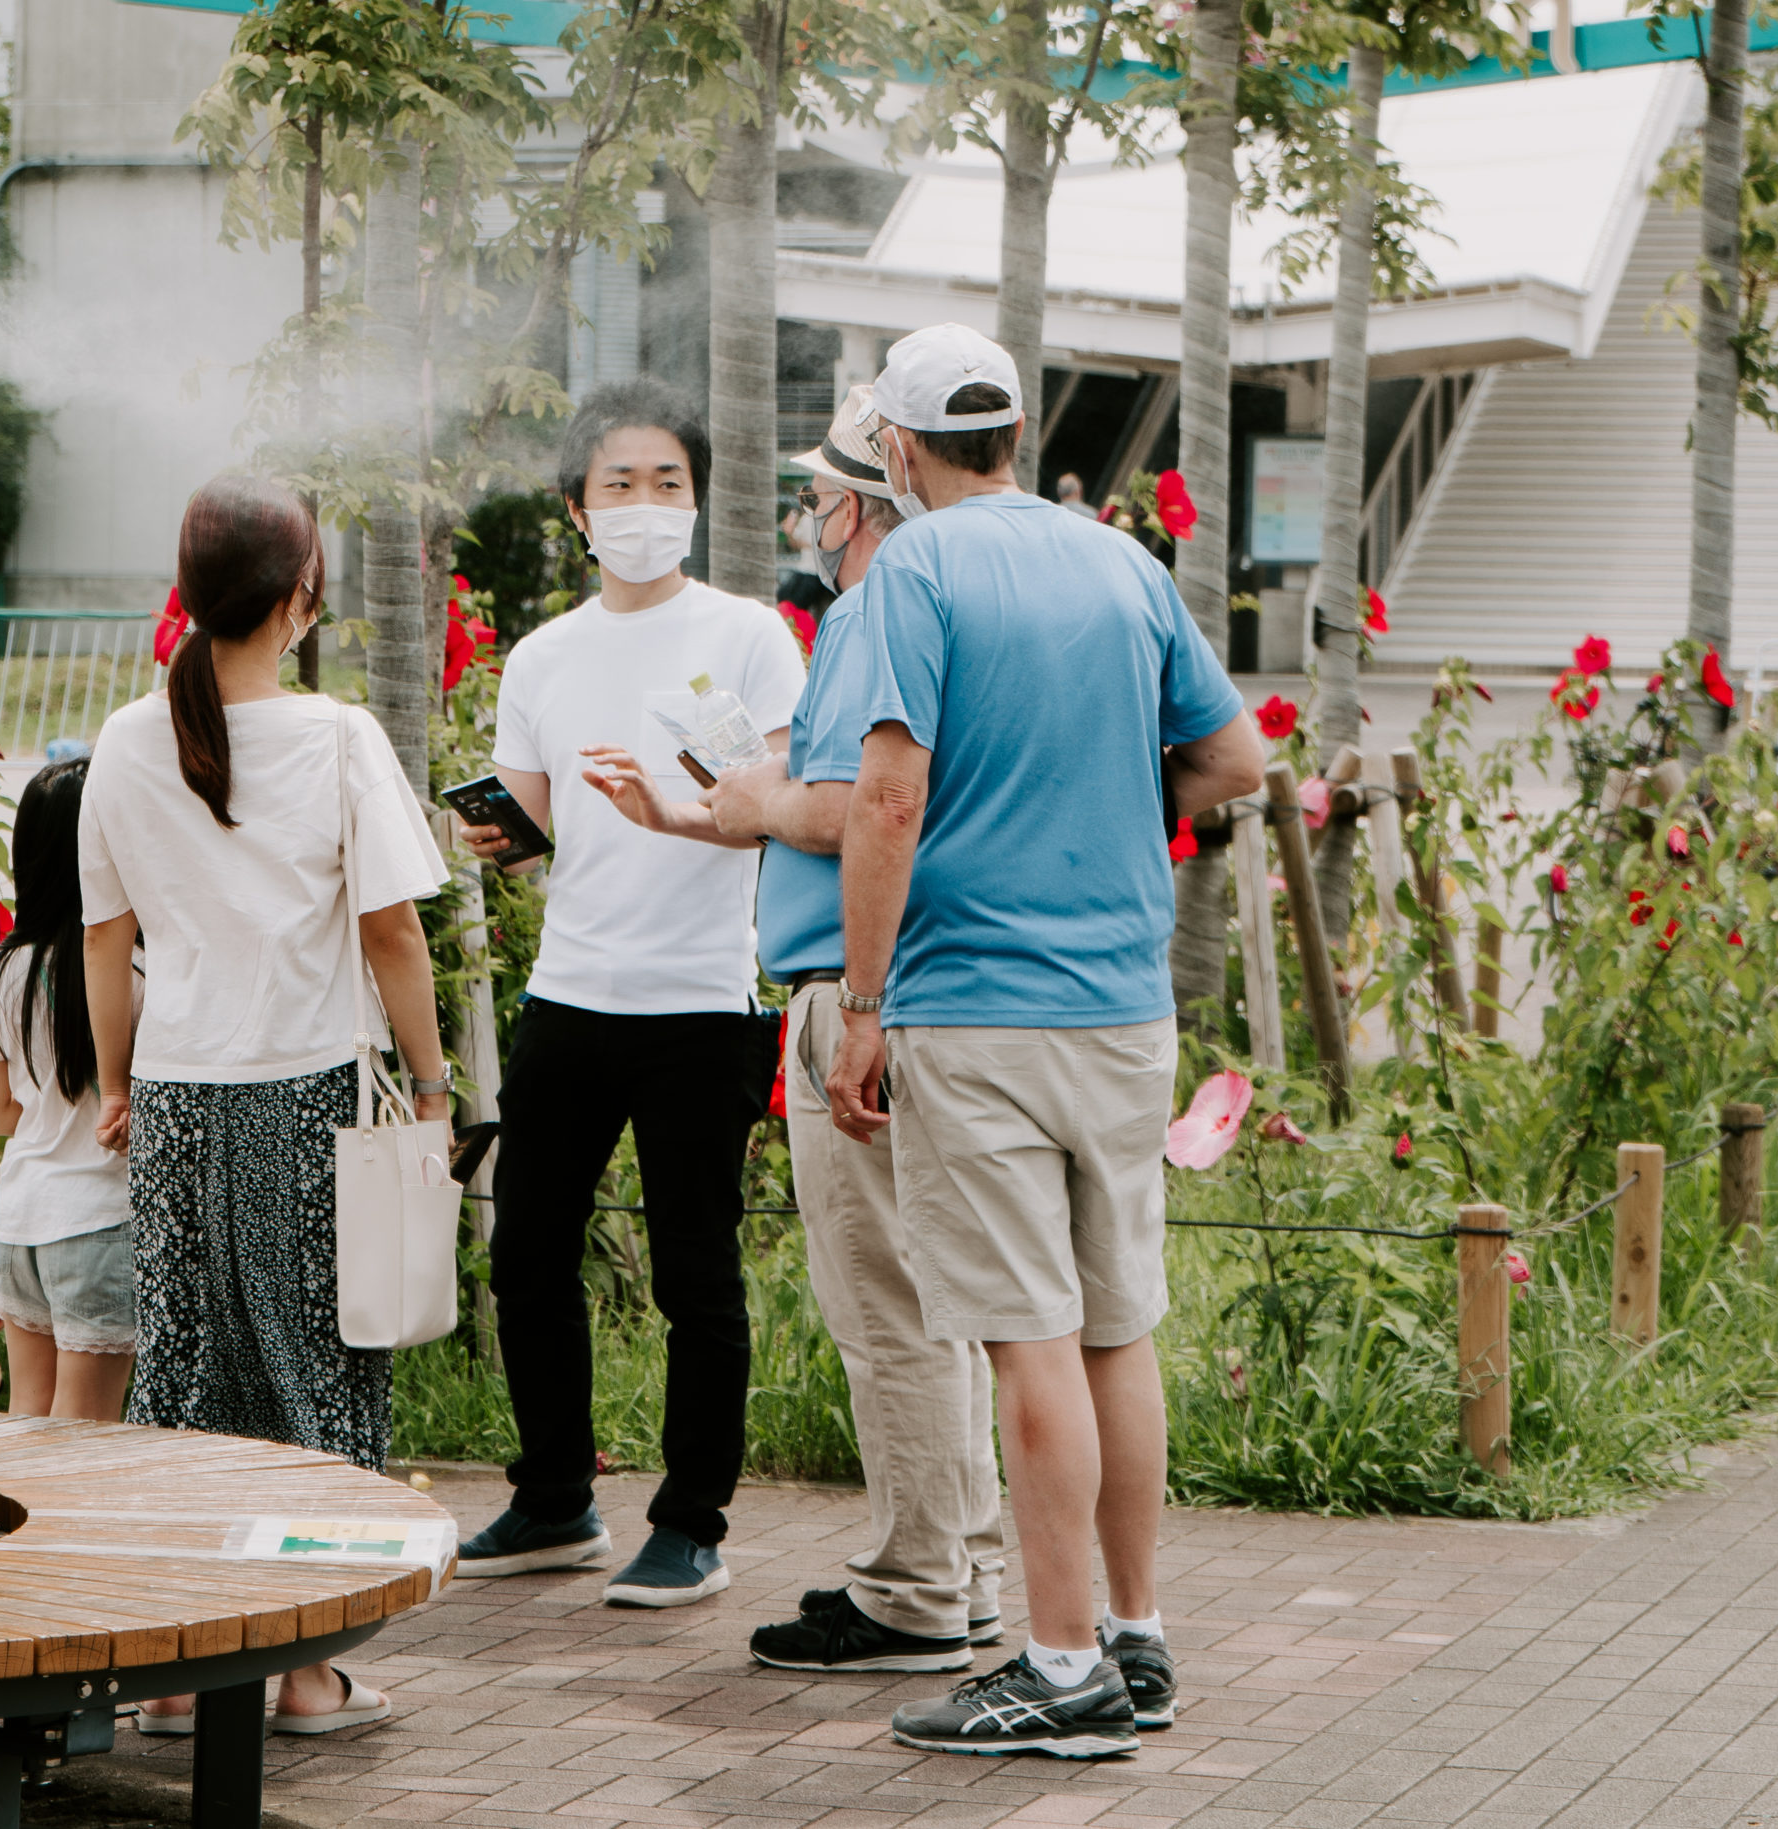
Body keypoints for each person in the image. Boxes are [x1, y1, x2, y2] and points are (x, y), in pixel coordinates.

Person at [823, 324, 1262, 1758]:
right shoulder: (1123, 562)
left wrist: (868, 1007)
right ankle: (1135, 1642)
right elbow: (1235, 757)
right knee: (1116, 1326)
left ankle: (1059, 1669)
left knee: (1030, 1346)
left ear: (896, 446)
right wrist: (1123, 808)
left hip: (978, 1009)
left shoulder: (918, 572)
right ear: (1014, 430)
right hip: (1125, 1007)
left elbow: (888, 798)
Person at [617, 387, 1004, 1674]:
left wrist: (764, 795)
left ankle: (910, 1588)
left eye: (819, 496)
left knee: (884, 1299)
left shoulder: (874, 614)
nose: (807, 517)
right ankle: (968, 1567)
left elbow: (853, 807)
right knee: (942, 1297)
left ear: (859, 503)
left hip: (857, 986)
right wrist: (717, 812)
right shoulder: (959, 600)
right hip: (939, 986)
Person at [81, 472, 454, 1735]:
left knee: (184, 1381)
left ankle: (179, 1676)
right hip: (306, 1101)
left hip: (180, 1097)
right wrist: (439, 1087)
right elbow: (395, 933)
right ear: (302, 599)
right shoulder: (338, 736)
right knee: (312, 1389)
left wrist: (121, 1083)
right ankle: (304, 1671)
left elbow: (102, 939)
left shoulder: (127, 738)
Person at [452, 378, 802, 1608]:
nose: (646, 505)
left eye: (668, 483)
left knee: (694, 1271)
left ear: (696, 501)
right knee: (527, 1252)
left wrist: (676, 810)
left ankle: (691, 1522)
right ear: (577, 511)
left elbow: (784, 818)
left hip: (703, 1002)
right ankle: (554, 1497)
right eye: (620, 485)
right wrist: (490, 832)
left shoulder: (749, 635)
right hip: (571, 992)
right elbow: (530, 821)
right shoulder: (544, 655)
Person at [0, 757, 139, 1422]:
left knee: (28, 1415)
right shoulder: (130, 972)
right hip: (96, 1217)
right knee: (86, 1431)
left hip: (21, 1214)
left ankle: (14, 1531)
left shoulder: (6, 967)